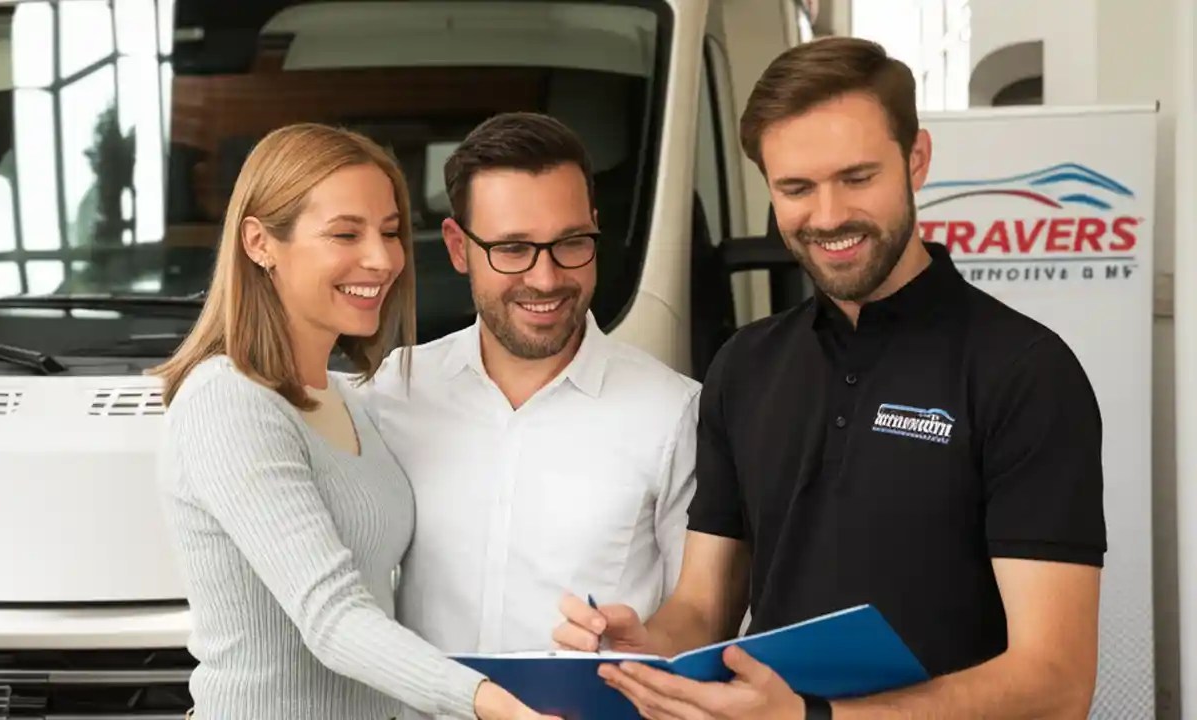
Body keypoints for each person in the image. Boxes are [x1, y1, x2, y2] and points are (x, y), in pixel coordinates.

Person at [553, 36, 1106, 719]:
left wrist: (815, 718)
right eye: (796, 188)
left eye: (857, 177)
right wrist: (644, 648)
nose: (829, 215)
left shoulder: (1023, 371)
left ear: (917, 159)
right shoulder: (744, 367)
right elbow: (702, 608)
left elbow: (1056, 682)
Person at [150, 123, 554, 720]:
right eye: (345, 233)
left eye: (390, 232)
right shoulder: (228, 401)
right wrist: (494, 704)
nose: (382, 259)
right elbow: (332, 616)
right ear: (260, 243)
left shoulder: (348, 399)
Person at [361, 112, 700, 656]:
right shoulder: (391, 394)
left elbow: (702, 619)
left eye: (571, 242)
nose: (546, 278)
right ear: (457, 247)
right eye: (513, 249)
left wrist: (651, 644)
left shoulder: (674, 413)